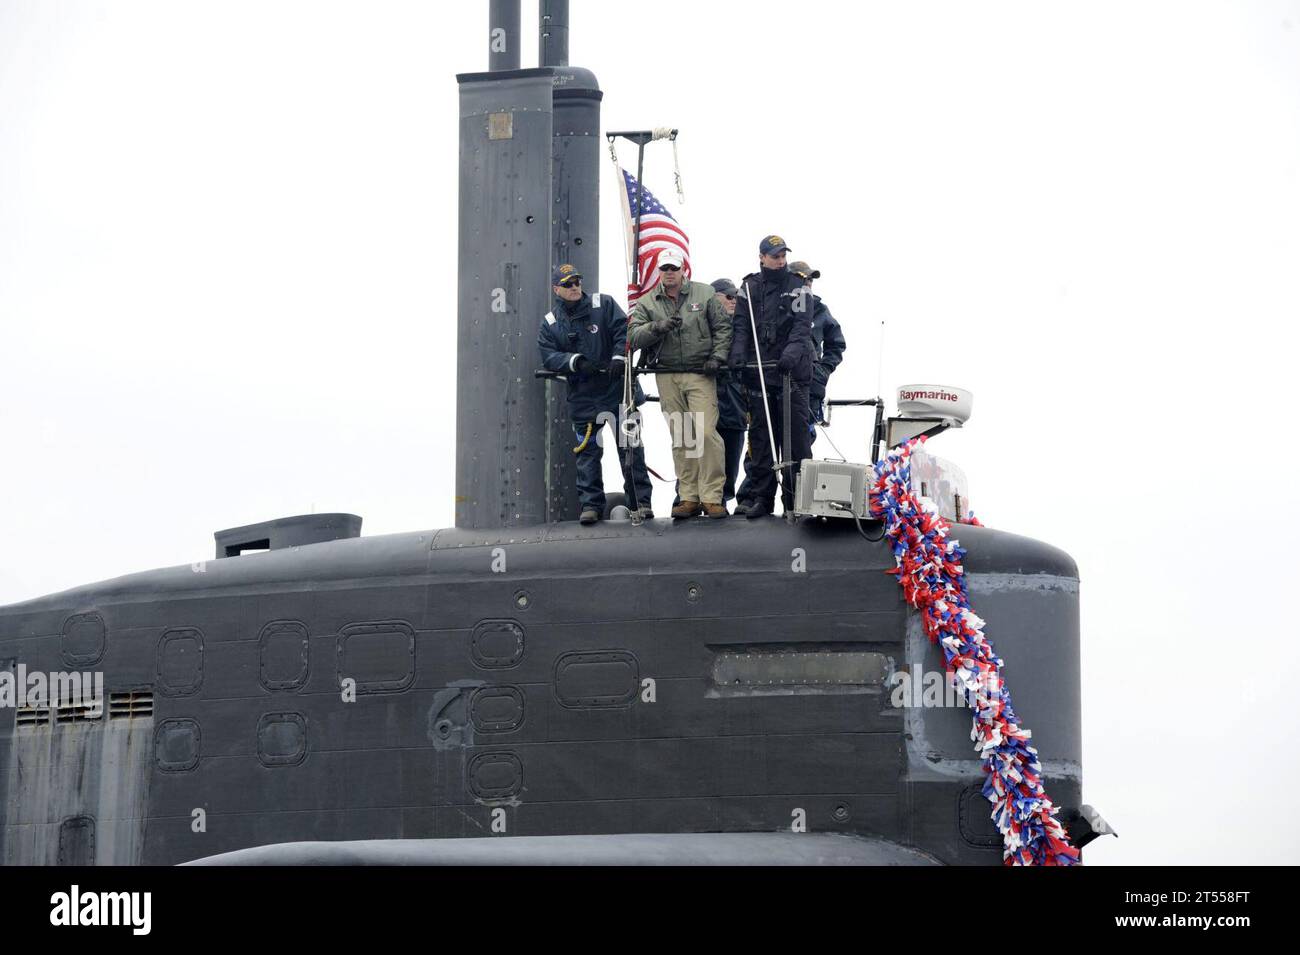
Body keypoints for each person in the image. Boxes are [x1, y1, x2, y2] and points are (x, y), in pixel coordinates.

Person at [537, 263, 654, 525]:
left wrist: (617, 358)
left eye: (577, 281)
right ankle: (591, 504)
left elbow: (624, 330)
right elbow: (548, 355)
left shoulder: (604, 305)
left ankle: (641, 502)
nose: (575, 287)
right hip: (584, 397)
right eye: (568, 284)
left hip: (619, 392)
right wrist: (576, 361)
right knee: (587, 454)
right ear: (557, 289)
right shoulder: (551, 324)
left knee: (630, 449)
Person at [628, 250, 732, 519]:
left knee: (706, 433)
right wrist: (658, 327)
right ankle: (689, 496)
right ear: (660, 272)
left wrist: (717, 357)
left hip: (700, 373)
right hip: (667, 373)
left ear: (683, 269)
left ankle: (711, 496)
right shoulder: (648, 302)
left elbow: (723, 328)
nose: (669, 272)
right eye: (665, 269)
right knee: (683, 436)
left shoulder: (705, 293)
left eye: (673, 268)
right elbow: (634, 336)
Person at [729, 235, 813, 519]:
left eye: (782, 255)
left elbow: (802, 327)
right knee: (761, 441)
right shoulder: (749, 287)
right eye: (774, 255)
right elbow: (741, 326)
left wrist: (790, 355)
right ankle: (762, 497)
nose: (780, 260)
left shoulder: (799, 287)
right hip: (759, 375)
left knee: (795, 441)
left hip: (790, 375)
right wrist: (738, 355)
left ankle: (795, 500)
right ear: (762, 257)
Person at [788, 260, 846, 444]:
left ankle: (796, 474)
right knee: (765, 441)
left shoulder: (820, 310)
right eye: (803, 279)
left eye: (810, 280)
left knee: (802, 441)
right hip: (777, 383)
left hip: (809, 386)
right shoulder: (777, 306)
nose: (808, 283)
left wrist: (822, 371)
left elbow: (837, 344)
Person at [710, 279, 749, 503]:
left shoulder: (744, 329)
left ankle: (722, 500)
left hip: (735, 403)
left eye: (736, 297)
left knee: (730, 459)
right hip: (707, 399)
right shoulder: (703, 326)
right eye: (729, 297)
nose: (735, 301)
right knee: (696, 456)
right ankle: (688, 499)